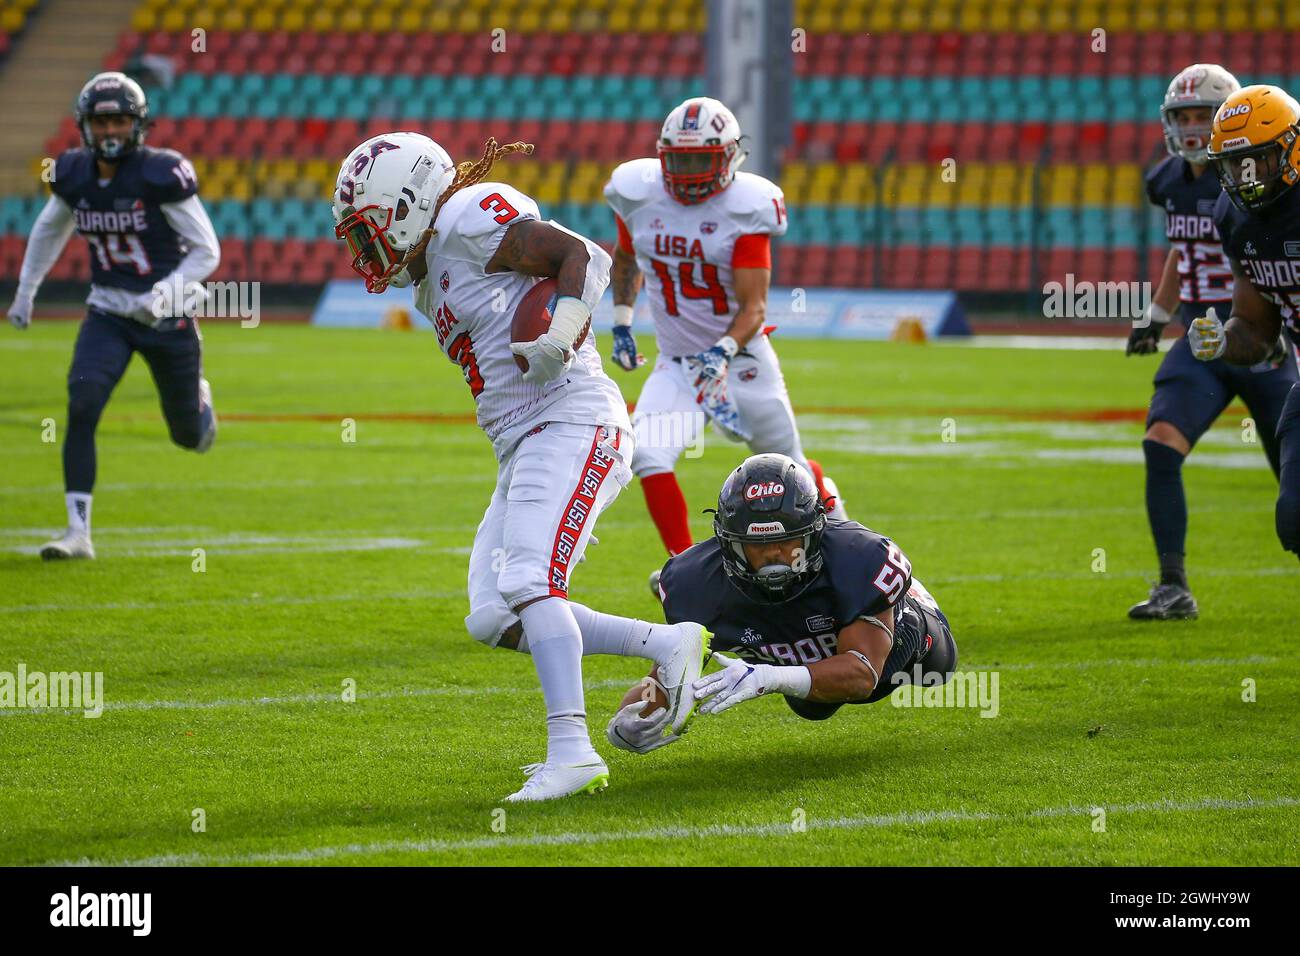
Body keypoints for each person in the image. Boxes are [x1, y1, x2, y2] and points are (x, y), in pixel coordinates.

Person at [331, 131, 708, 801]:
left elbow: (585, 257)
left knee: (532, 578)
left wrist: (560, 336)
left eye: (369, 230)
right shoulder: (432, 266)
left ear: (411, 203)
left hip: (572, 419)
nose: (365, 249)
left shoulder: (470, 215)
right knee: (492, 614)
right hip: (524, 441)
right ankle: (667, 643)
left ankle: (573, 751)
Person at [603, 97, 847, 568]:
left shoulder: (745, 209)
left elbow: (755, 306)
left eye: (702, 159)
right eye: (681, 159)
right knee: (648, 454)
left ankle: (845, 544)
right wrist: (622, 320)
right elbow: (628, 257)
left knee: (791, 469)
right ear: (662, 156)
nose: (691, 171)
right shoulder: (638, 195)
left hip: (742, 362)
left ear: (730, 156)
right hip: (678, 366)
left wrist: (722, 352)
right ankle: (685, 566)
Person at [606, 454, 957, 754]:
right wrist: (631, 718)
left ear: (816, 532)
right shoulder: (694, 583)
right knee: (812, 707)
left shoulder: (858, 559)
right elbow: (664, 681)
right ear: (728, 543)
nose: (774, 557)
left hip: (894, 646)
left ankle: (911, 603)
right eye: (758, 547)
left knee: (938, 671)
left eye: (787, 543)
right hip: (794, 648)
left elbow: (862, 675)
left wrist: (769, 676)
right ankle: (798, 675)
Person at [5, 72, 221, 560]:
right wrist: (26, 292)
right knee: (82, 403)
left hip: (166, 319)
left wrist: (163, 294)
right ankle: (77, 532)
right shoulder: (74, 174)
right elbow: (47, 232)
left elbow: (207, 251)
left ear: (138, 124)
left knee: (188, 436)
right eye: (101, 121)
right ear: (84, 125)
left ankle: (200, 405)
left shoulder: (160, 174)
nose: (110, 131)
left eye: (119, 120)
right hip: (108, 311)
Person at [1126, 64, 1297, 619]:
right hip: (1213, 333)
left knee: (1289, 495)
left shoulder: (1268, 199)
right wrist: (1159, 314)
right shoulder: (1181, 186)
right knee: (1161, 442)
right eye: (1184, 117)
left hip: (1268, 346)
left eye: (1204, 115)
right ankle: (1172, 585)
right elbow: (1186, 250)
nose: (1194, 128)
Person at [1187, 84, 1300, 562]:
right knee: (1294, 518)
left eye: (1258, 160)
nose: (1246, 177)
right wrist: (1221, 341)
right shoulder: (1236, 220)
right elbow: (1256, 328)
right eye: (1235, 164)